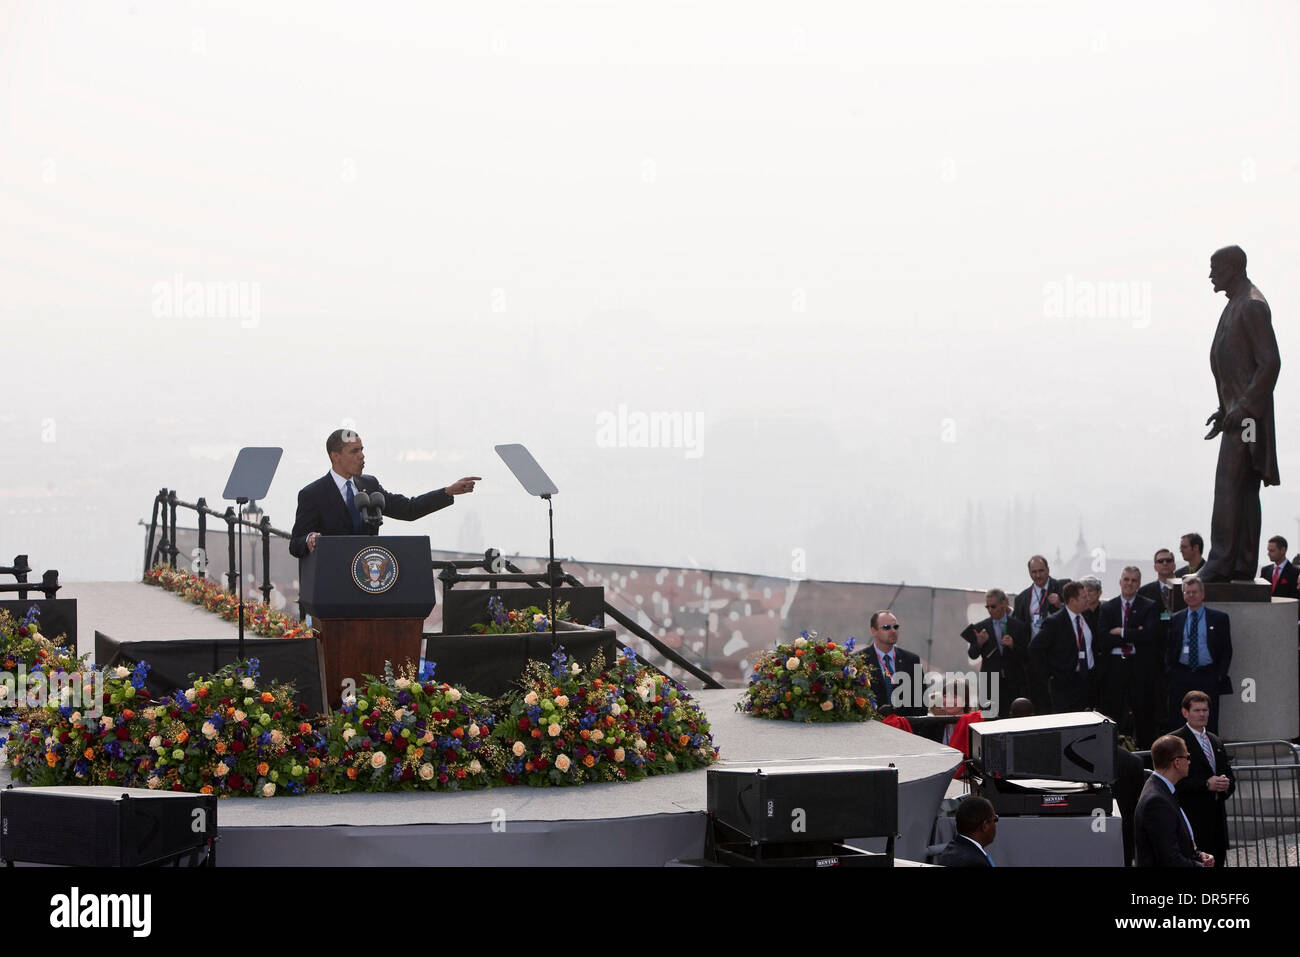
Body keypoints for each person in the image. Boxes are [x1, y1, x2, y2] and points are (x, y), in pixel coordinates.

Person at [1200, 246, 1281, 583]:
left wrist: (1244, 407)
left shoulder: (1251, 306)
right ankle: (1242, 561)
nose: (1210, 276)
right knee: (1243, 485)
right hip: (1238, 415)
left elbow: (1270, 363)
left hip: (1248, 421)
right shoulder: (1235, 304)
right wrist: (1224, 408)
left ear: (1233, 268)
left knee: (1231, 482)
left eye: (1215, 268)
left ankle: (1221, 561)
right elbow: (1236, 368)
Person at [289, 429, 481, 558]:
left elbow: (408, 509)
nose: (362, 456)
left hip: (371, 577)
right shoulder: (313, 494)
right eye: (354, 451)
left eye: (362, 450)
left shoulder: (369, 484)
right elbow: (295, 543)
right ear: (335, 456)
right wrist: (310, 540)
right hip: (333, 584)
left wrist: (447, 492)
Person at [1096, 566, 1161, 746]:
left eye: (1133, 580)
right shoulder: (1108, 607)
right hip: (1114, 669)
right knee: (1112, 716)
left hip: (1139, 669)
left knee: (1143, 717)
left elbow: (1149, 636)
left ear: (1139, 584)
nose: (1129, 584)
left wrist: (1121, 632)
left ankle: (1146, 760)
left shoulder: (1149, 606)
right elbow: (1103, 639)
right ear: (1120, 581)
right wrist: (1134, 635)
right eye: (1126, 579)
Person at [1173, 691, 1235, 869]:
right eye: (1197, 710)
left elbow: (1229, 775)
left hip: (1216, 819)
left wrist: (1225, 785)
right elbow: (1173, 780)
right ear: (1186, 712)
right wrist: (1206, 784)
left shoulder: (1215, 741)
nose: (1202, 714)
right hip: (1192, 818)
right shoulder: (1176, 740)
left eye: (1205, 710)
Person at [1165, 575, 1232, 735]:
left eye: (1194, 592)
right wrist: (1171, 672)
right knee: (1179, 719)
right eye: (1187, 592)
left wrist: (1219, 675)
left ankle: (1211, 754)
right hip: (1182, 674)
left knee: (1208, 718)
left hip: (1208, 675)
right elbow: (1169, 647)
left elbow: (1226, 649)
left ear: (1202, 594)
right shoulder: (1176, 619)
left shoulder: (1219, 618)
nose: (1191, 595)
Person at [1135, 734, 1213, 867]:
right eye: (1187, 757)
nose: (1189, 762)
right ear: (1177, 762)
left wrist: (1197, 855)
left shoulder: (1162, 789)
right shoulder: (1157, 801)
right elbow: (1170, 859)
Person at [962, 588, 1030, 718]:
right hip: (990, 682)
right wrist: (979, 643)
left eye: (993, 606)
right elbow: (972, 654)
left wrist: (1012, 645)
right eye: (987, 607)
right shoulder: (980, 627)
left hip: (1013, 682)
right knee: (988, 719)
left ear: (1004, 603)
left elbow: (1027, 655)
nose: (990, 610)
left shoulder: (1018, 626)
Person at [1029, 581, 1094, 712]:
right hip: (1064, 682)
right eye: (1083, 597)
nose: (1088, 599)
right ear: (1072, 600)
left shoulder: (1087, 616)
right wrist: (1048, 674)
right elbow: (1034, 648)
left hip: (1086, 679)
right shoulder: (1055, 622)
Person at [865, 610, 923, 716]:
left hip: (904, 727)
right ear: (874, 631)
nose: (893, 631)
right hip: (871, 728)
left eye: (895, 627)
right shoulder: (859, 661)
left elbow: (920, 703)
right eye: (886, 627)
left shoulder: (912, 660)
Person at [1012, 555, 1067, 638]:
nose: (1038, 575)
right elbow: (1020, 629)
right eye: (1034, 572)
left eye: (1041, 571)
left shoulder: (1063, 586)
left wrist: (1060, 605)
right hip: (1035, 647)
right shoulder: (1021, 599)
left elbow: (1078, 612)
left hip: (1059, 646)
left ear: (1048, 570)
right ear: (1029, 573)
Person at [935, 795, 997, 867]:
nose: (995, 824)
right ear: (985, 825)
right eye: (995, 819)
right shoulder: (975, 862)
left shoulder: (951, 850)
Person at [1261, 534, 1299, 599]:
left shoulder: (1296, 572)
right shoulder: (1265, 570)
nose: (1268, 554)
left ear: (1283, 550)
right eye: (1268, 550)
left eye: (1272, 551)